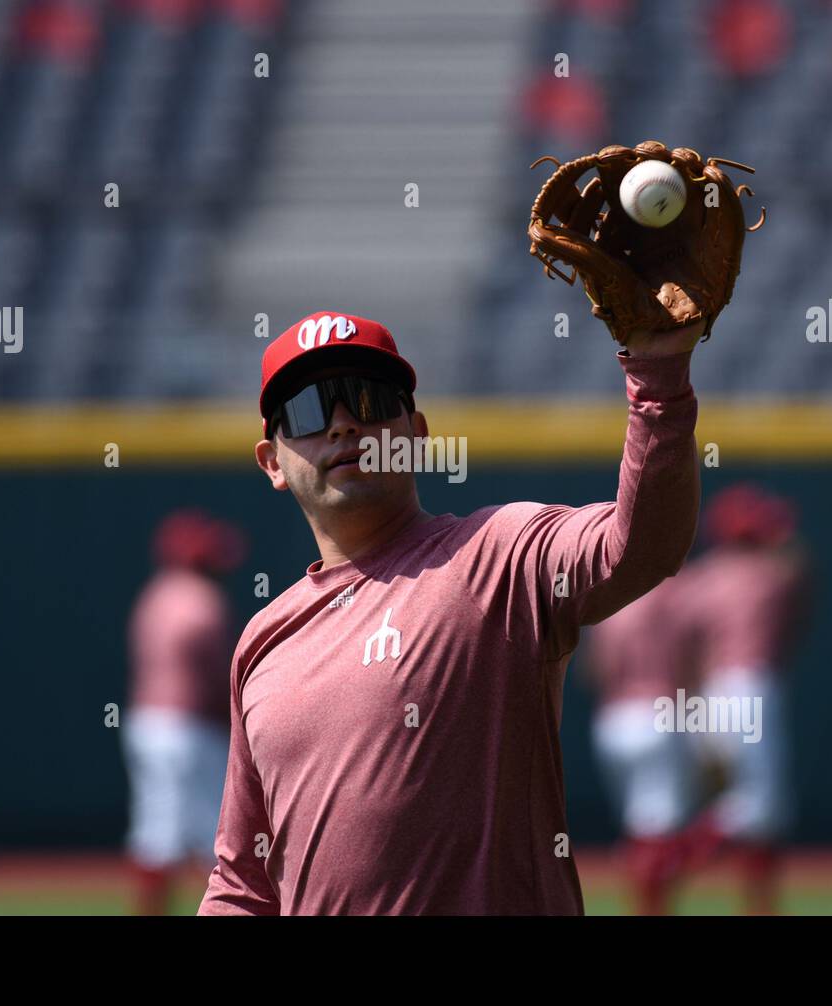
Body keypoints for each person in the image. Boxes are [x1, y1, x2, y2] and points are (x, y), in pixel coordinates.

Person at [198, 309, 703, 915]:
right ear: (272, 461)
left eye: (367, 398)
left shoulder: (499, 553)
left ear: (415, 433)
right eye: (307, 410)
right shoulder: (263, 640)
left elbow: (643, 544)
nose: (341, 424)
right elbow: (243, 883)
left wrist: (658, 375)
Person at [681, 483, 812, 915]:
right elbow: (801, 569)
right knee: (761, 807)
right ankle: (674, 854)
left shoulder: (701, 579)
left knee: (748, 806)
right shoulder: (771, 574)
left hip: (705, 696)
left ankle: (759, 905)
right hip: (749, 690)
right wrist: (776, 532)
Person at [124, 509, 245, 915]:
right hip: (188, 730)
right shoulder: (202, 600)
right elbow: (216, 680)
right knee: (220, 836)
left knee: (158, 829)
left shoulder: (155, 594)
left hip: (146, 725)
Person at [586, 569, 702, 915]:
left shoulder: (608, 601)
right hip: (659, 713)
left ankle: (643, 904)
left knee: (639, 829)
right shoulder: (676, 593)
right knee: (661, 831)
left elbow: (595, 672)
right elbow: (692, 662)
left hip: (613, 721)